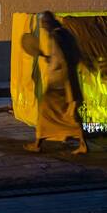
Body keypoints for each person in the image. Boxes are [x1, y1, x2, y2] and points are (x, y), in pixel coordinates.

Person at [24, 11, 88, 155]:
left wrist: (54, 66)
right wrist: (52, 60)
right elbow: (72, 56)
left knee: (45, 112)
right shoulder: (66, 34)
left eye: (43, 25)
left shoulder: (55, 37)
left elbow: (62, 60)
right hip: (68, 80)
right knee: (69, 114)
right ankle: (82, 143)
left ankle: (37, 143)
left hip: (58, 83)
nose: (43, 28)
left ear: (48, 24)